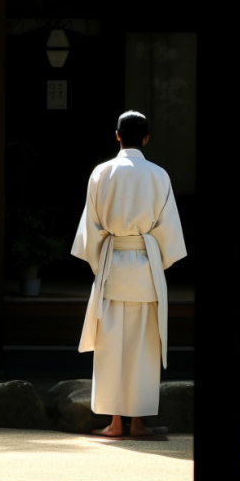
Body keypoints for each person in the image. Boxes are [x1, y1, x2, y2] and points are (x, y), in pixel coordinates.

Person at [71, 110, 187, 438]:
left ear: (117, 135)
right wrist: (151, 259)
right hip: (146, 268)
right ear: (146, 138)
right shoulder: (158, 175)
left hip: (112, 266)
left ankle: (115, 423)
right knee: (143, 349)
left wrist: (101, 263)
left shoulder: (101, 173)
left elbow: (91, 229)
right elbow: (169, 232)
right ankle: (137, 423)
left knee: (110, 347)